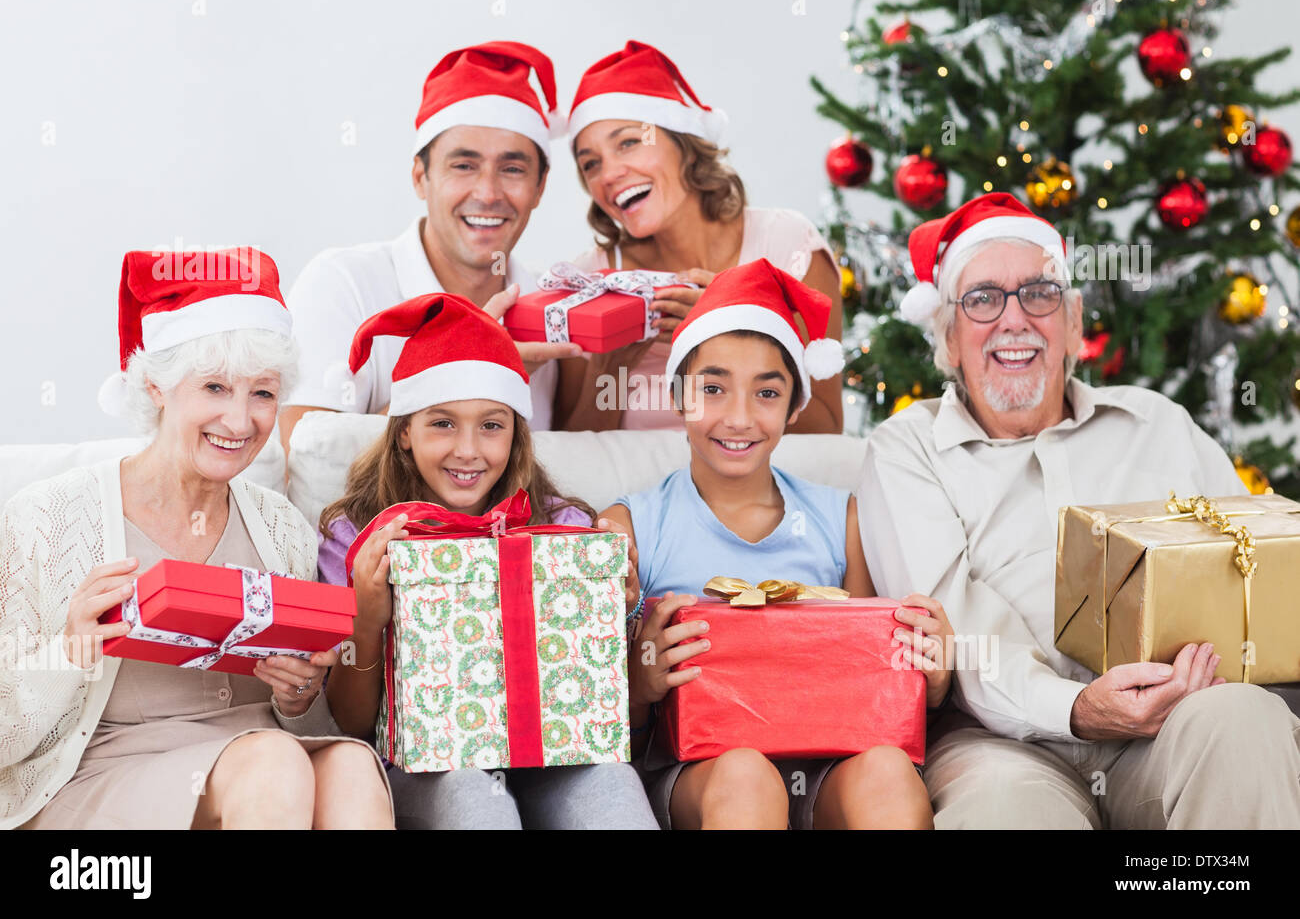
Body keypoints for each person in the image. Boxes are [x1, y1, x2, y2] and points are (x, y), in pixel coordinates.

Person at [858, 192, 1300, 828]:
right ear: (950, 339)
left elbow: (1250, 567)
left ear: (1072, 322)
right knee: (1008, 810)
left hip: (1173, 721)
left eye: (1038, 294)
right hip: (997, 742)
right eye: (982, 299)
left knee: (1246, 720)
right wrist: (1076, 707)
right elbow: (952, 637)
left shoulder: (1158, 425)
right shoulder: (907, 450)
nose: (1014, 320)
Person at [1, 248, 393, 830]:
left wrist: (296, 697)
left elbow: (304, 720)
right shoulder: (49, 517)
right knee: (272, 760)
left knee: (352, 767)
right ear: (157, 388)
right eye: (214, 388)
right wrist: (69, 651)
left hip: (257, 758)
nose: (240, 422)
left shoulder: (280, 524)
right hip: (101, 773)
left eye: (262, 393)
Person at [597, 258, 947, 829]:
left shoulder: (842, 519)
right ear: (678, 396)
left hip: (830, 765)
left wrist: (930, 681)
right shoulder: (629, 527)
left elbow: (871, 676)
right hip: (699, 775)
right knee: (745, 775)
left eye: (766, 392)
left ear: (795, 406)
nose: (738, 417)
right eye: (713, 389)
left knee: (887, 772)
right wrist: (642, 681)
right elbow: (591, 712)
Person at [318, 292, 658, 829]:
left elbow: (614, 714)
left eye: (492, 425)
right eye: (443, 423)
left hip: (556, 758)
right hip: (428, 767)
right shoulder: (358, 537)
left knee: (614, 784)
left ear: (516, 431)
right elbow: (352, 727)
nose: (469, 450)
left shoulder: (564, 528)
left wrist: (619, 615)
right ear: (404, 431)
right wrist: (365, 620)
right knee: (476, 801)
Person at [279, 41, 582, 451]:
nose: (489, 193)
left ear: (540, 187)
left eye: (512, 169)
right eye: (463, 166)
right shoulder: (342, 285)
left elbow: (566, 467)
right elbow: (302, 460)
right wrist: (468, 363)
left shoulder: (548, 310)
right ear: (420, 177)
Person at [554, 41, 843, 433]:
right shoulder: (586, 281)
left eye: (629, 142)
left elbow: (824, 431)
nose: (608, 175)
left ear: (686, 147)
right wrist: (610, 365)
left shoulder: (788, 246)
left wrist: (729, 337)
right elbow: (569, 453)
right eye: (591, 164)